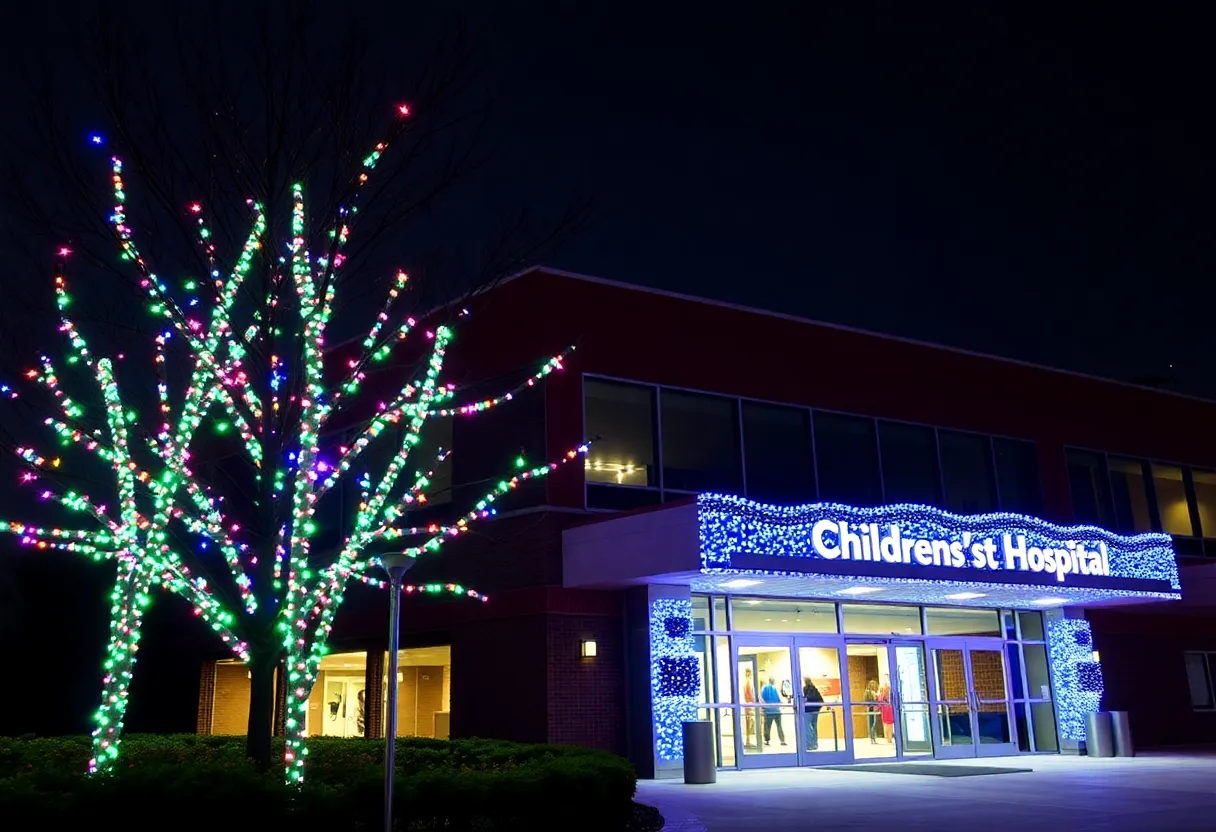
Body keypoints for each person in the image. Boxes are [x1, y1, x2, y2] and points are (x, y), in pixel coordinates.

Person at [760, 676, 787, 747]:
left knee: (767, 726)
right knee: (779, 726)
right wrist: (783, 705)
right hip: (776, 711)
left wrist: (763, 707)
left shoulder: (764, 688)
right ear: (774, 681)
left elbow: (761, 699)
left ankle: (767, 740)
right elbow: (781, 699)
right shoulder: (776, 688)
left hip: (768, 711)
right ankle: (782, 740)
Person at [802, 677, 824, 751]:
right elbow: (820, 700)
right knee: (814, 727)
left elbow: (805, 699)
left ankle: (809, 744)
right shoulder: (814, 688)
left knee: (807, 727)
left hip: (808, 710)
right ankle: (815, 744)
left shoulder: (806, 689)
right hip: (815, 710)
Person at [743, 668, 758, 748]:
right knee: (749, 723)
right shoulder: (748, 682)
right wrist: (753, 702)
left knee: (749, 723)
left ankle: (748, 740)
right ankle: (748, 741)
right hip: (749, 705)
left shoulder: (746, 682)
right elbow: (750, 694)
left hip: (747, 705)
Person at [864, 679, 879, 744]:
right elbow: (876, 699)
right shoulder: (872, 692)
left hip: (868, 708)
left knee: (870, 723)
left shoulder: (866, 692)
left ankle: (872, 738)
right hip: (873, 708)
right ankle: (873, 738)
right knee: (873, 723)